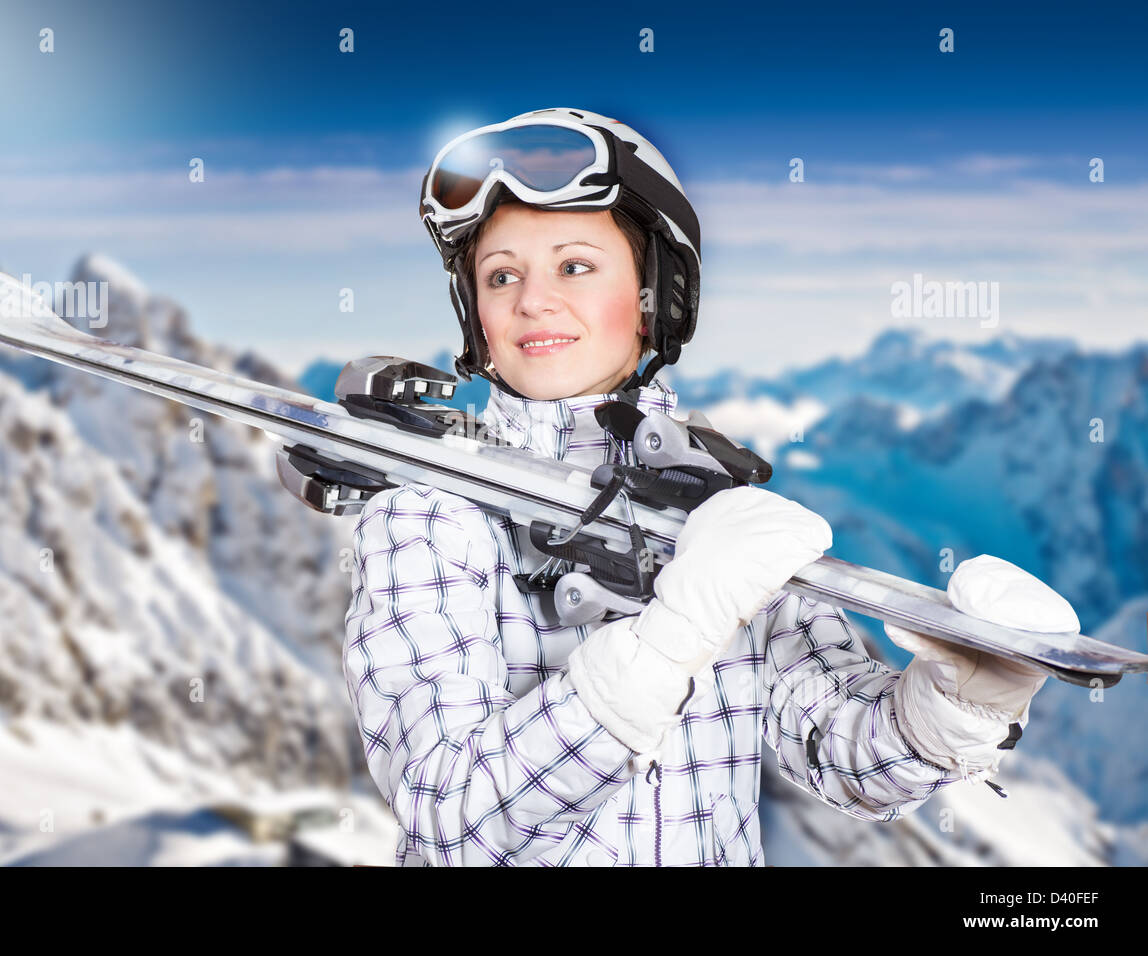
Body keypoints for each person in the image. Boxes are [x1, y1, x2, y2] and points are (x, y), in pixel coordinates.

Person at [342, 108, 1080, 866]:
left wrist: (957, 707)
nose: (533, 301)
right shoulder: (429, 516)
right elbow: (451, 820)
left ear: (655, 292)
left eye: (574, 266)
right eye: (501, 275)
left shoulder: (718, 512)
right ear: (476, 314)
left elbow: (839, 753)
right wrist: (667, 642)